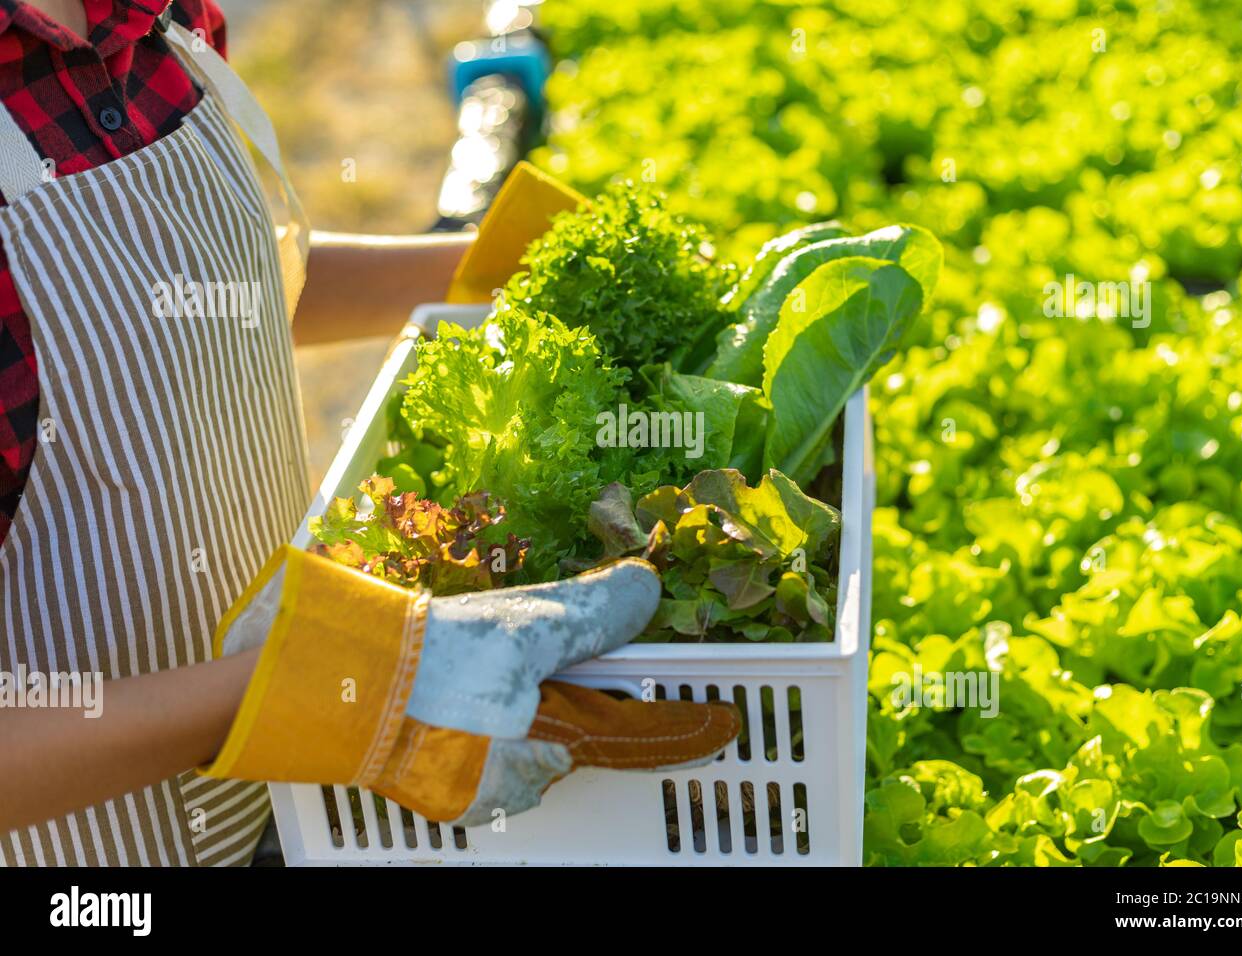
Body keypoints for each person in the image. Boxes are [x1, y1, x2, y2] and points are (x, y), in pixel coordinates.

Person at [0, 0, 738, 866]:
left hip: (300, 802)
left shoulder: (156, 20)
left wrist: (478, 273)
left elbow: (207, 301)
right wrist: (333, 686)